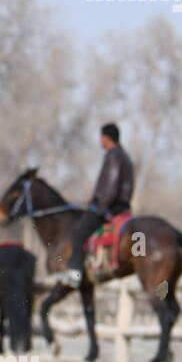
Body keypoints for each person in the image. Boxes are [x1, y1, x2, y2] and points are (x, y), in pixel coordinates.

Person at [64, 123, 135, 288]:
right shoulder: (125, 156)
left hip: (111, 208)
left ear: (105, 138)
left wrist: (100, 207)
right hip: (122, 206)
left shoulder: (113, 156)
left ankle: (75, 273)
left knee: (79, 230)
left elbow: (110, 186)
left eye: (100, 137)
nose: (100, 140)